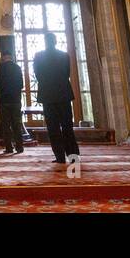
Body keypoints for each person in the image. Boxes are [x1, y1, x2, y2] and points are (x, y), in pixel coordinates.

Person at [32, 32, 78, 164]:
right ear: (55, 41)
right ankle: (73, 155)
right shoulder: (64, 56)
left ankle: (59, 156)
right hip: (63, 94)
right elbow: (67, 74)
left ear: (45, 42)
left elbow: (38, 75)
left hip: (48, 96)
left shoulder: (39, 56)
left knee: (53, 128)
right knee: (67, 126)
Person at [0, 50, 25, 154]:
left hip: (4, 99)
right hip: (15, 99)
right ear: (11, 57)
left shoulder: (1, 68)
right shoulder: (17, 68)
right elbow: (21, 84)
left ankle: (9, 147)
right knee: (17, 123)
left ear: (3, 57)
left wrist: (3, 89)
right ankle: (19, 147)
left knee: (6, 124)